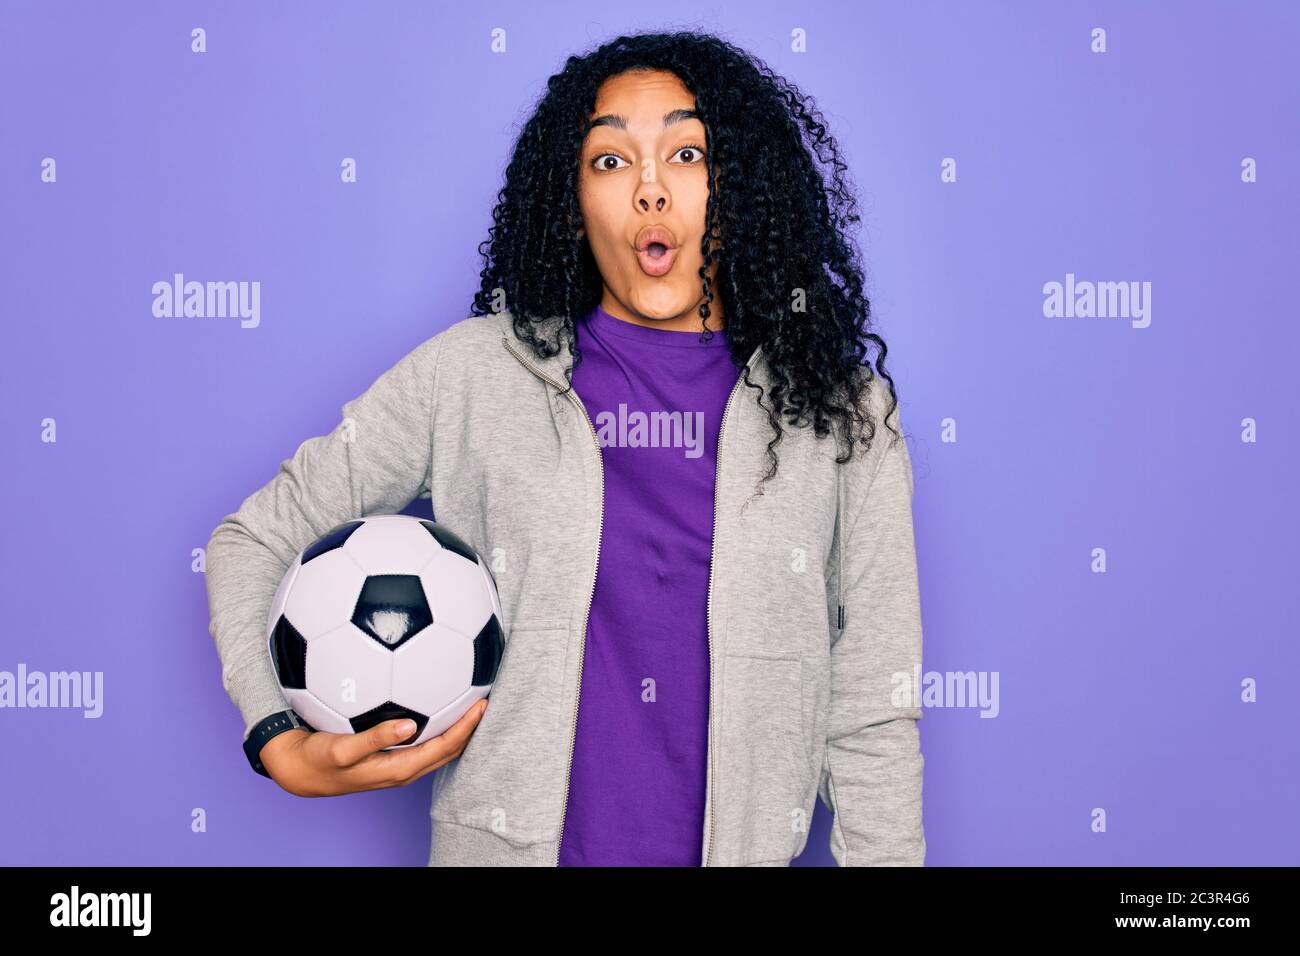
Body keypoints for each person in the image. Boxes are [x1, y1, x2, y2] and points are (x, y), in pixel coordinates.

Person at [206, 30, 926, 867]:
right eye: (611, 162)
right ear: (572, 199)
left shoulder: (842, 412)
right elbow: (251, 540)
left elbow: (873, 710)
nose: (650, 190)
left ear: (741, 188)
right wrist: (274, 736)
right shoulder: (471, 375)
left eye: (687, 153)